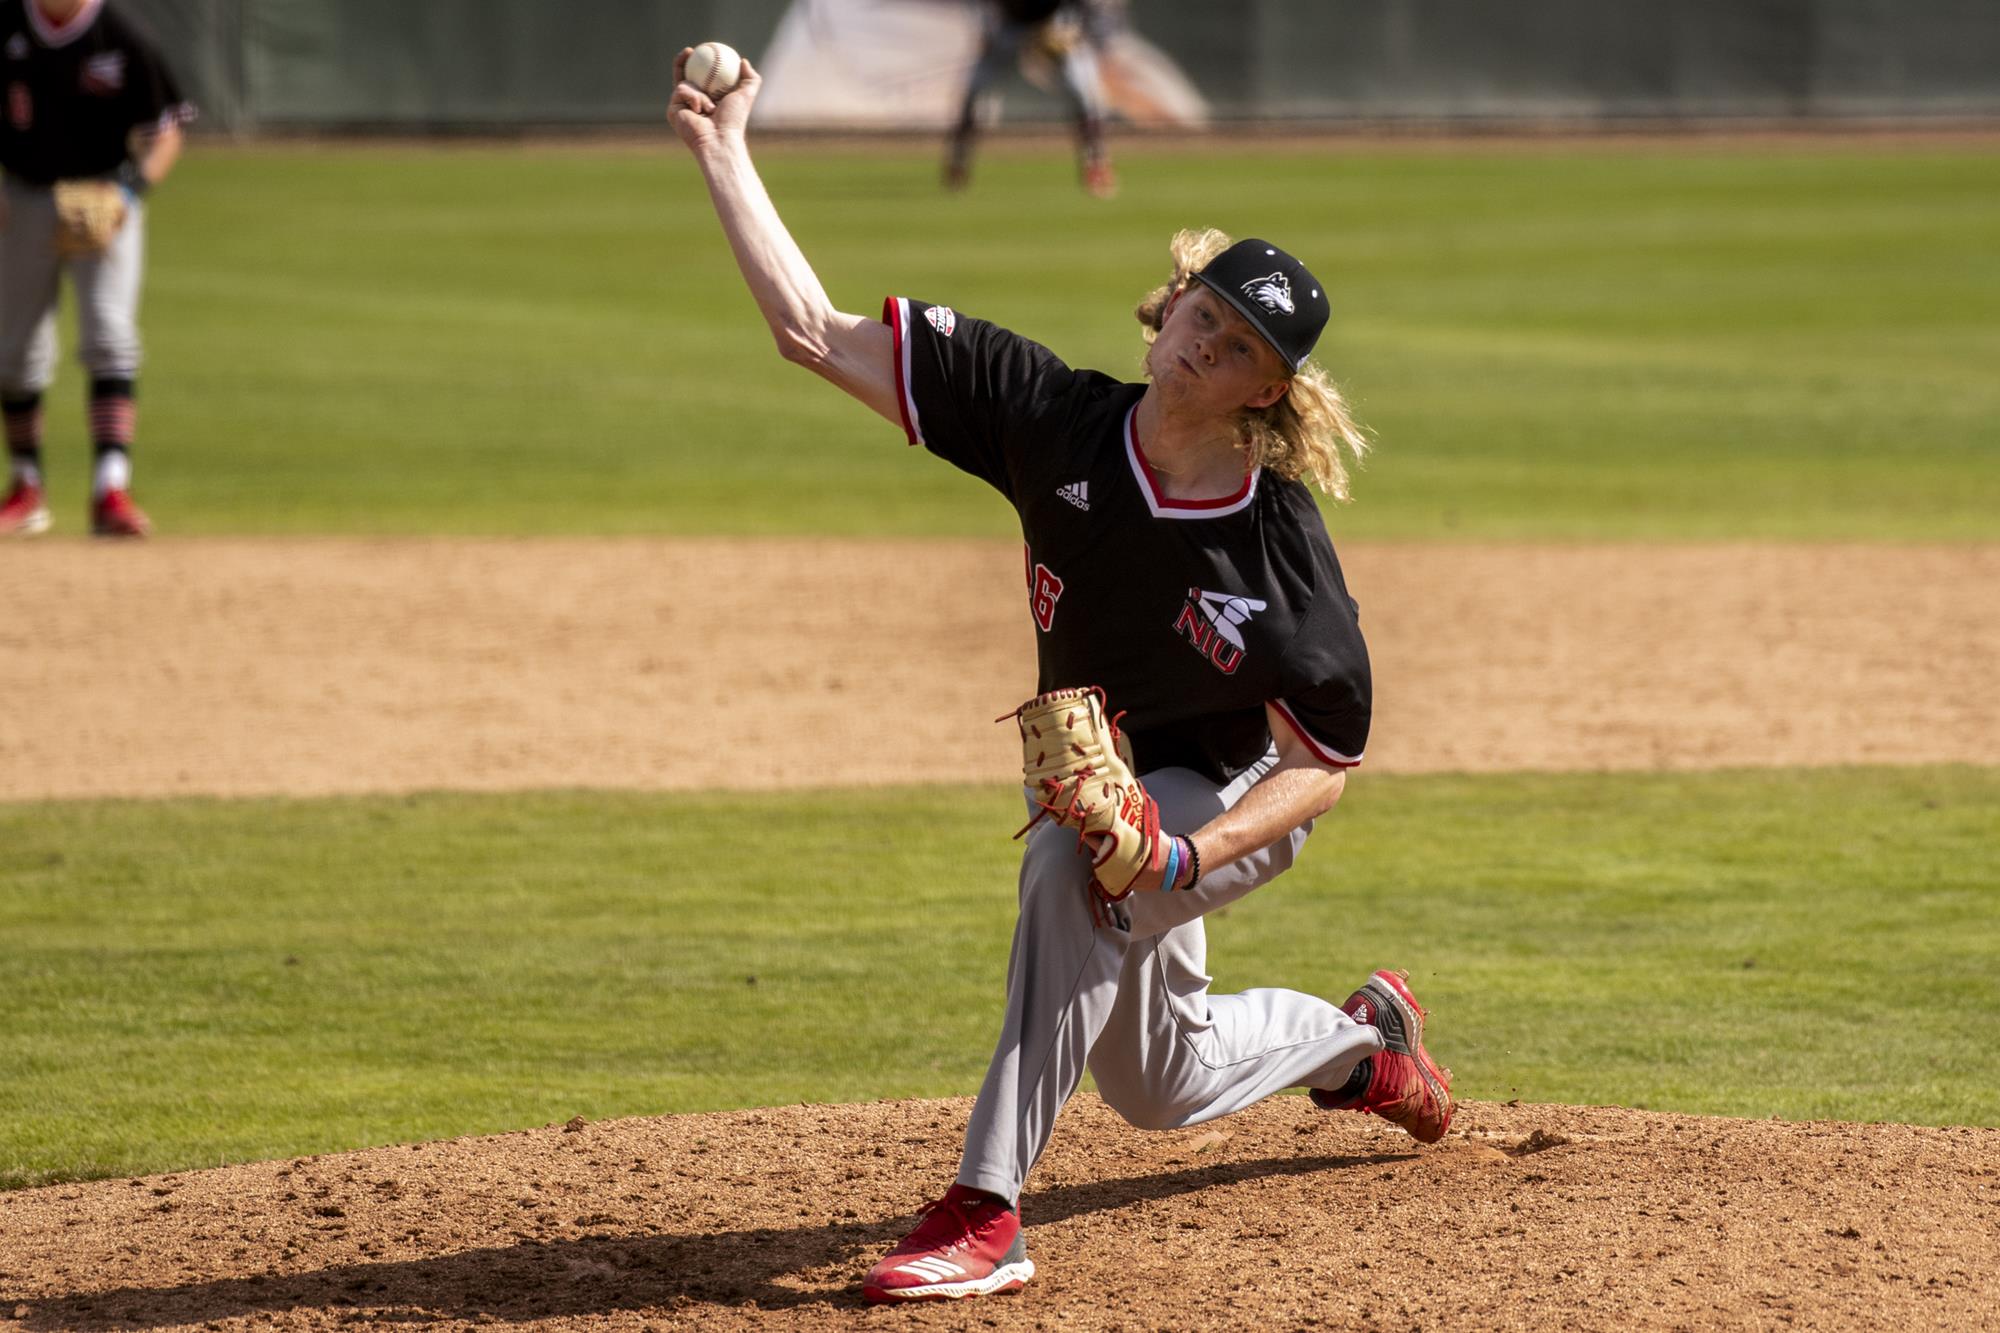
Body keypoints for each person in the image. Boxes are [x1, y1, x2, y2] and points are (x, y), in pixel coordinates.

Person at [668, 50, 1454, 1304]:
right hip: (1125, 798)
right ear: (1171, 302)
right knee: (1161, 1080)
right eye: (1202, 308)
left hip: (1225, 792)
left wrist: (1185, 858)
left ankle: (986, 1213)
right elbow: (807, 334)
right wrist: (723, 146)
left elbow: (1320, 768)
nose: (1202, 339)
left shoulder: (1278, 546)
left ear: (1268, 390)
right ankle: (1365, 1040)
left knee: (1067, 863)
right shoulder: (1049, 415)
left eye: (1237, 341)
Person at [0, 0, 189, 538]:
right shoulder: (9, 25)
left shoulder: (123, 34)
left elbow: (170, 125)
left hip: (104, 199)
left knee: (111, 337)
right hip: (23, 198)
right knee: (13, 354)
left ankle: (111, 488)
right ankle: (26, 487)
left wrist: (132, 190)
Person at [945, 0, 1115, 197]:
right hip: (1010, 27)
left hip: (1052, 24)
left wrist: (1071, 28)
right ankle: (958, 161)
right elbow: (980, 8)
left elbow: (1084, 8)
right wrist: (987, 31)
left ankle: (1096, 163)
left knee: (1084, 92)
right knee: (975, 89)